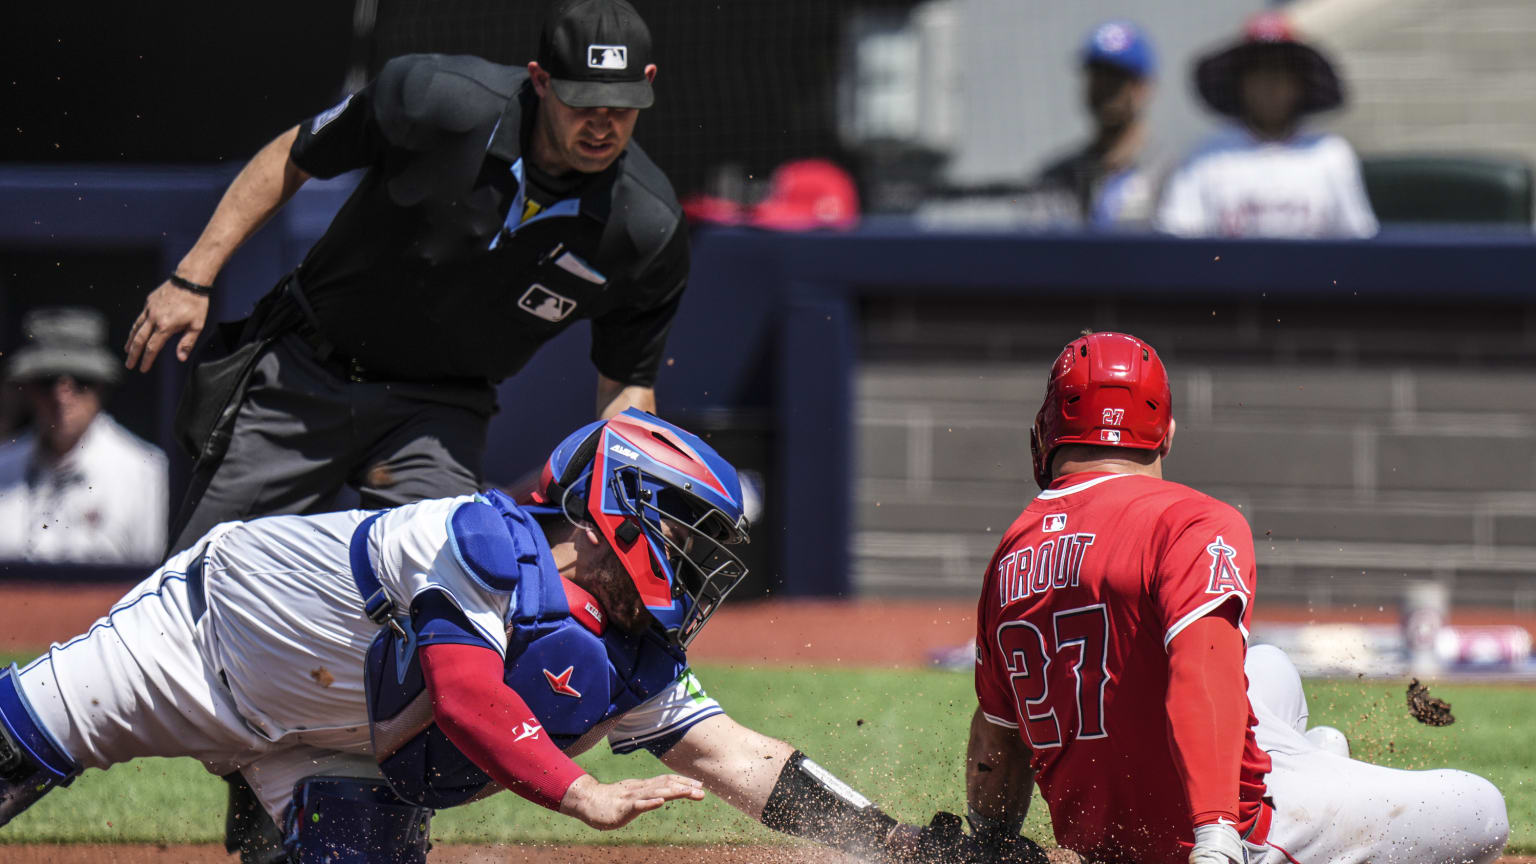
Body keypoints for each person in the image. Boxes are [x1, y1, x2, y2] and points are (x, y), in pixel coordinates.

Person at [0, 409, 993, 863]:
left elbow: (742, 758)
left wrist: (900, 846)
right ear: (622, 514)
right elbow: (469, 694)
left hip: (327, 746)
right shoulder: (472, 541)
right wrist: (584, 793)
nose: (703, 571)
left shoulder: (626, 650)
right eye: (689, 541)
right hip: (191, 650)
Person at [122, 0, 693, 557]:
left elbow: (625, 387)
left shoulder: (646, 229)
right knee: (202, 583)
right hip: (308, 373)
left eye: (622, 104)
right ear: (541, 80)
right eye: (584, 101)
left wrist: (634, 494)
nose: (603, 123)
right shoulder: (438, 101)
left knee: (439, 594)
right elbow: (296, 155)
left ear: (648, 82)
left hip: (439, 415)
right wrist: (193, 278)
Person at [966, 332, 1508, 864]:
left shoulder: (1010, 554)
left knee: (1271, 666)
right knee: (1483, 808)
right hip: (1235, 829)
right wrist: (1217, 840)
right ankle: (1305, 796)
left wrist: (986, 844)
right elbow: (1203, 676)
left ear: (1044, 433)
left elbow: (999, 742)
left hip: (1103, 840)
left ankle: (1318, 758)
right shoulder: (1191, 520)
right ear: (1166, 434)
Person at [1156, 12, 1377, 238]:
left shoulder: (1330, 155)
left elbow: (1357, 242)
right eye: (1258, 72)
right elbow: (1178, 238)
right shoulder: (1206, 156)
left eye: (1280, 72)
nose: (1270, 84)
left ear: (1299, 84)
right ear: (1240, 84)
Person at [0, 307, 167, 564]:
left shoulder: (144, 472)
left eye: (80, 380)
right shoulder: (3, 467)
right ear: (28, 387)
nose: (61, 396)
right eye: (48, 380)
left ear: (101, 387)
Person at [1033, 21, 1161, 227]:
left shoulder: (1168, 176)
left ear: (1143, 87)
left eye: (1115, 79)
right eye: (1097, 76)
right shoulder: (1057, 178)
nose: (1104, 90)